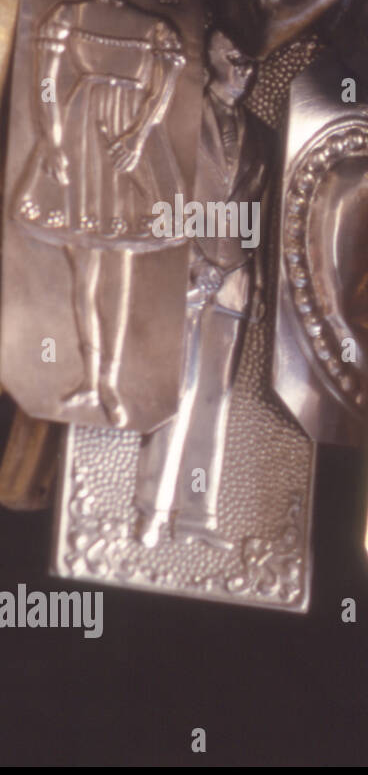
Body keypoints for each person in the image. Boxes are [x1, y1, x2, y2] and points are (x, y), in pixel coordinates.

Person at [15, 0, 187, 426]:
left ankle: (111, 382)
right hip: (79, 131)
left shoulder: (156, 29)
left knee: (121, 269)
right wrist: (51, 141)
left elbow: (164, 86)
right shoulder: (66, 16)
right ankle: (90, 378)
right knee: (84, 271)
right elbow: (45, 83)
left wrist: (137, 136)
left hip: (127, 140)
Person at [132, 29, 265, 549]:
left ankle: (195, 518)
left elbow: (256, 211)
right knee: (176, 393)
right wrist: (189, 260)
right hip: (183, 277)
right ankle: (150, 510)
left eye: (250, 61)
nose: (244, 69)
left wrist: (247, 273)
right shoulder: (176, 112)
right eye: (234, 57)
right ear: (209, 56)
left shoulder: (263, 135)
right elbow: (152, 187)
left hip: (235, 283)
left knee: (217, 397)